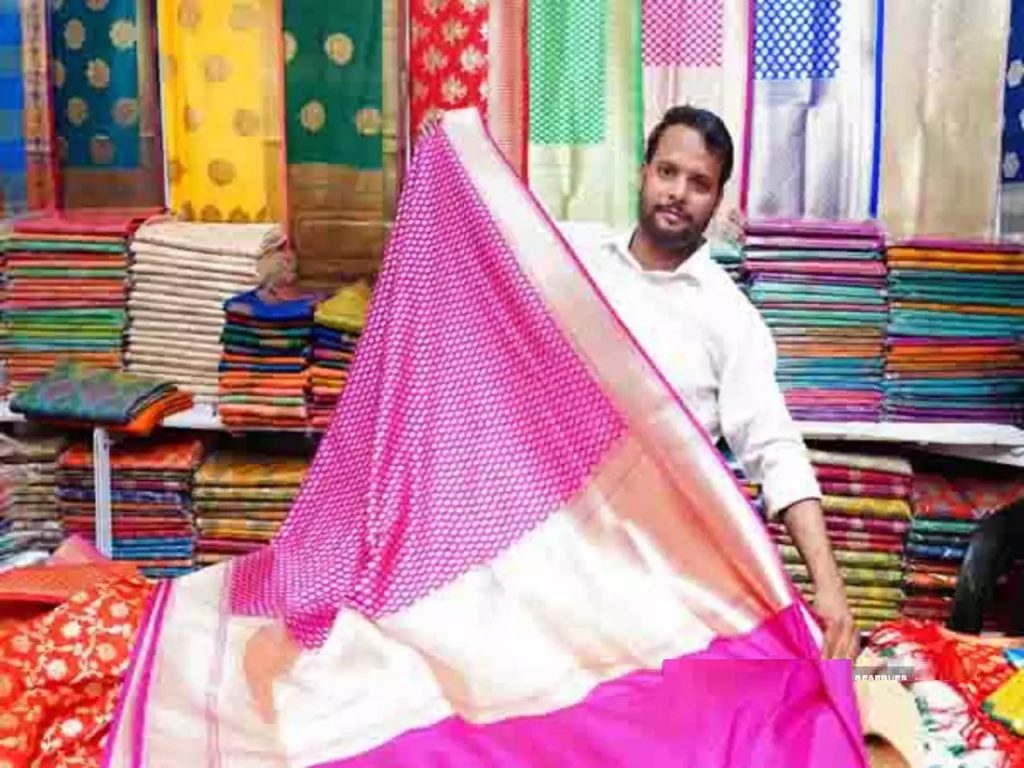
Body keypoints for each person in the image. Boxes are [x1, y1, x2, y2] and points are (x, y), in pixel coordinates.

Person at [561, 105, 858, 660]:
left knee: (792, 679)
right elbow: (484, 227)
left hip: (663, 570)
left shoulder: (729, 318)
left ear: (716, 202)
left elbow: (774, 450)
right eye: (667, 172)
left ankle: (885, 683)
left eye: (699, 183)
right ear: (643, 173)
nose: (677, 193)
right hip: (554, 544)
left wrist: (830, 586)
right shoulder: (573, 256)